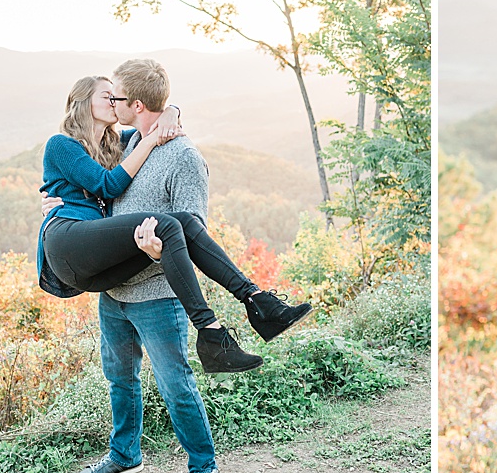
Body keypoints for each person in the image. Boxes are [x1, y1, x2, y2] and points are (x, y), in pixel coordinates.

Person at [37, 64, 312, 375]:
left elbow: (148, 119)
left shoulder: (117, 143)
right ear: (84, 102)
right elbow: (108, 184)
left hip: (98, 260)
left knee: (180, 220)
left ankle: (259, 301)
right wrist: (151, 141)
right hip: (69, 243)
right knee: (167, 224)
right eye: (108, 96)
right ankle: (210, 330)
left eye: (117, 97)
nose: (115, 101)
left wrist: (171, 112)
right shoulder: (60, 144)